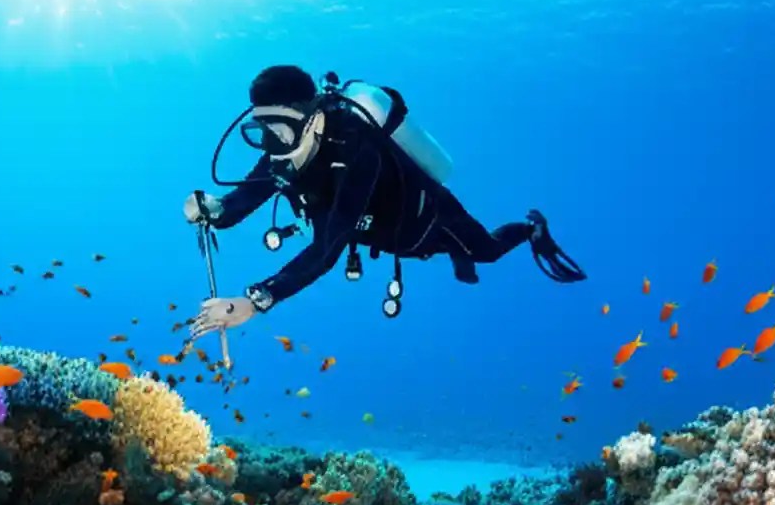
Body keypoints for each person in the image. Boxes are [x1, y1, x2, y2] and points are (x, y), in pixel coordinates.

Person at [185, 65, 584, 340]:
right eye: (262, 132)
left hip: (427, 222)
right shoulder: (283, 150)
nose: (272, 146)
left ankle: (532, 230)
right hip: (377, 232)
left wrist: (255, 301)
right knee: (467, 256)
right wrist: (216, 210)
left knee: (487, 252)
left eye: (281, 131)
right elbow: (251, 192)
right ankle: (478, 248)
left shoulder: (358, 150)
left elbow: (329, 246)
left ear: (311, 118)